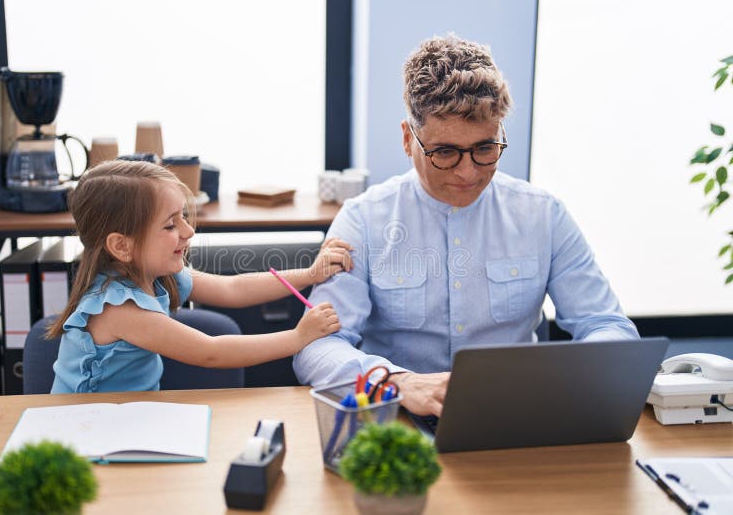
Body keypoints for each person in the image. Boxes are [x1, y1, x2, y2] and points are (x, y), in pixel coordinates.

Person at [293, 34, 639, 417]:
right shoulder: (363, 220)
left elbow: (607, 325)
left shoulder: (543, 215)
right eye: (445, 153)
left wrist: (567, 380)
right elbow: (316, 348)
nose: (468, 172)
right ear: (409, 140)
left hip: (514, 418)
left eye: (485, 149)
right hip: (399, 421)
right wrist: (398, 382)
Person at [48, 160, 352, 393]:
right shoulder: (119, 309)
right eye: (170, 225)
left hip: (128, 419)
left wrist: (310, 274)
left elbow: (233, 289)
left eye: (183, 217)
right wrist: (298, 338)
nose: (188, 231)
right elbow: (211, 352)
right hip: (84, 429)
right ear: (121, 246)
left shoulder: (157, 275)